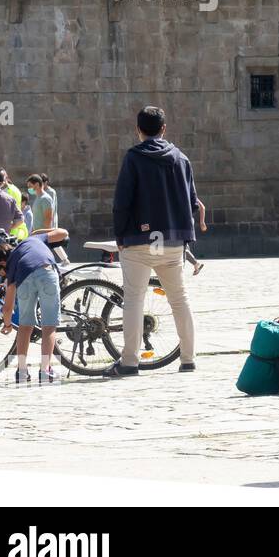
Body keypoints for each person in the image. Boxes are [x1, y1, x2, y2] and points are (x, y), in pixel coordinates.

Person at [106, 106, 198, 376]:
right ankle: (188, 358)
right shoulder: (181, 158)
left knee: (134, 299)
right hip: (171, 240)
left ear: (138, 130)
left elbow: (122, 201)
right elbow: (192, 201)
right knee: (179, 299)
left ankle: (130, 362)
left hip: (140, 240)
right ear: (164, 129)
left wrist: (120, 234)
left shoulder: (133, 158)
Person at [0, 227, 72, 383]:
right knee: (49, 326)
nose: (3, 278)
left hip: (25, 281)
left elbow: (8, 306)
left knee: (25, 326)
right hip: (46, 272)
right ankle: (45, 371)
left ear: (3, 263)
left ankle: (22, 372)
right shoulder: (34, 239)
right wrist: (39, 231)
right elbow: (63, 233)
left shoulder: (12, 268)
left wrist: (7, 324)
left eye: (1, 274)